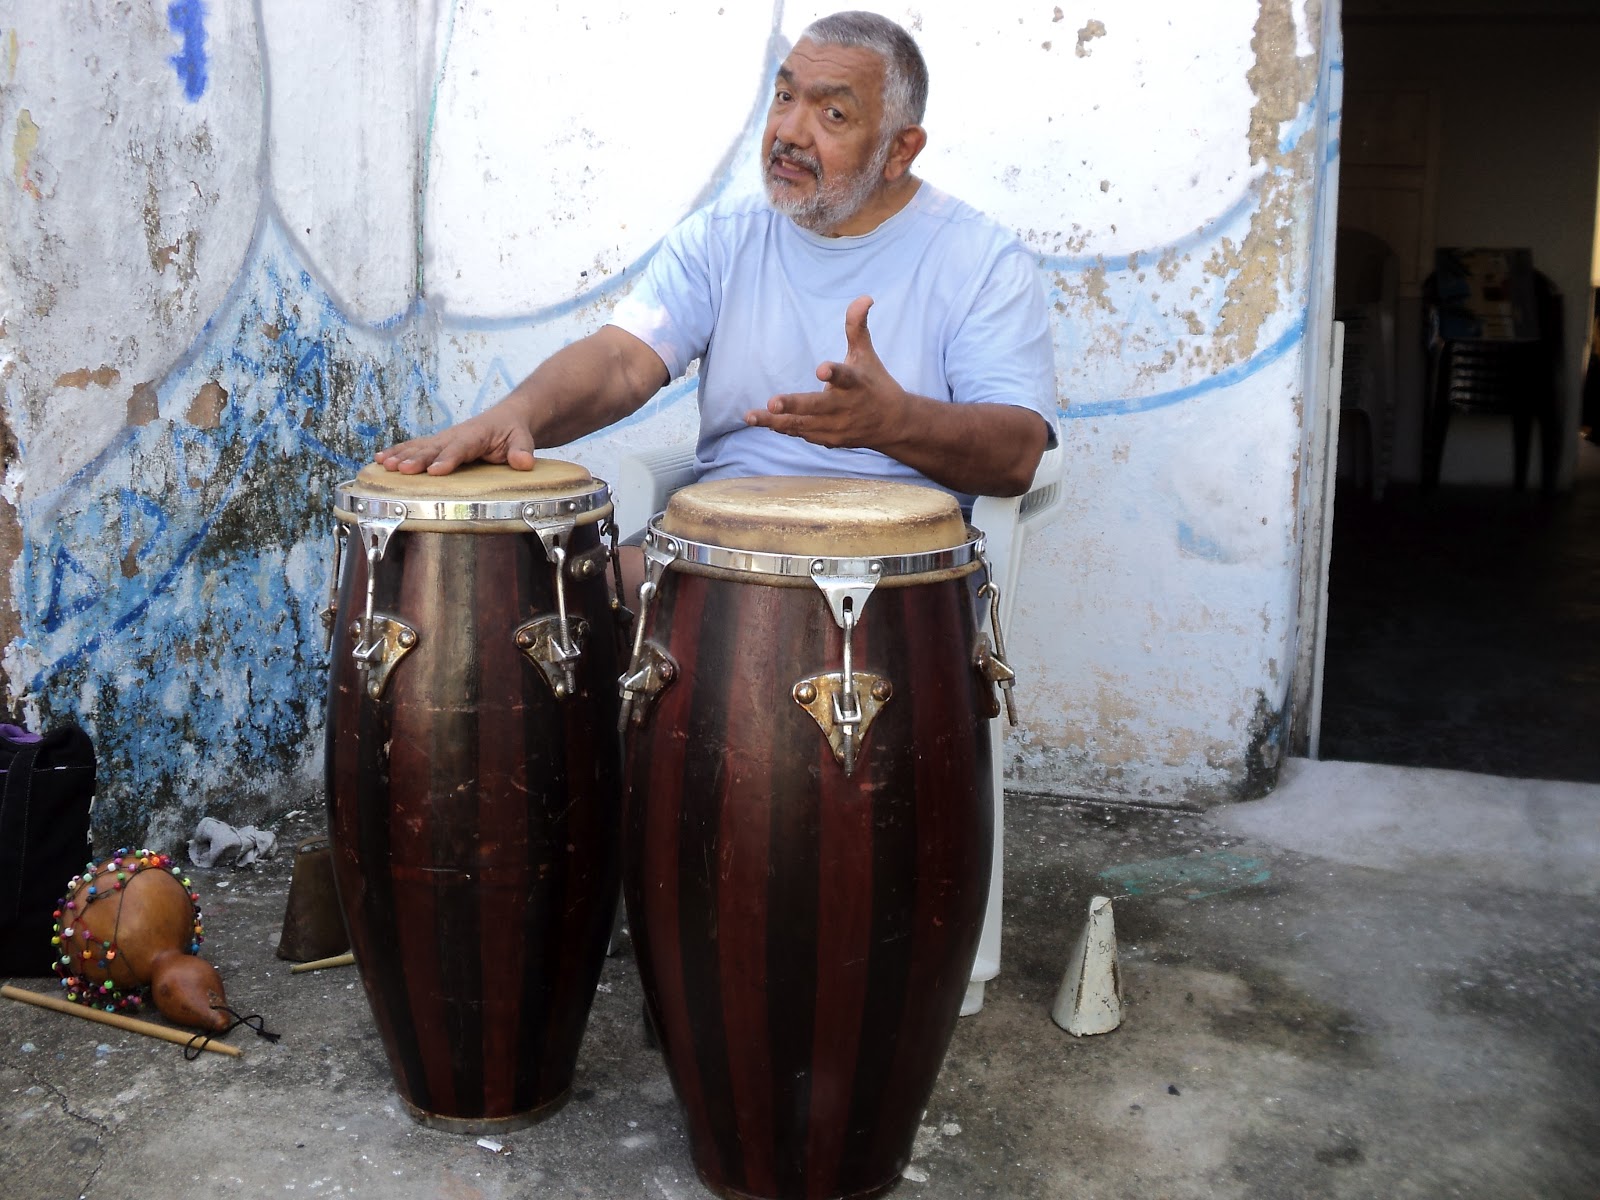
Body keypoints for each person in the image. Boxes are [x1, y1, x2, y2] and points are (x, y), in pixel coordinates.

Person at [376, 10, 1056, 503]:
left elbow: (1017, 454)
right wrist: (517, 414)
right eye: (785, 97)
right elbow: (621, 361)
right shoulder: (723, 237)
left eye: (833, 115)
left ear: (900, 150)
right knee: (554, 608)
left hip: (900, 590)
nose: (789, 132)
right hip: (721, 561)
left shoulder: (981, 261)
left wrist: (895, 423)